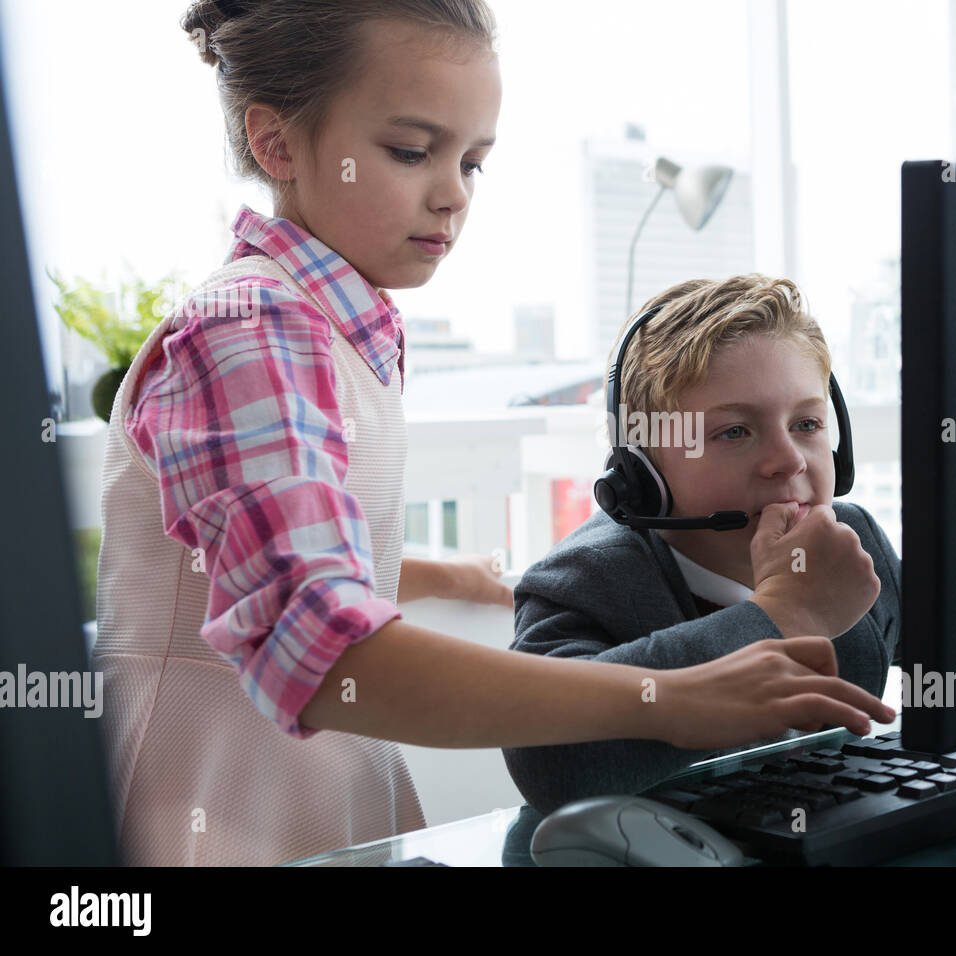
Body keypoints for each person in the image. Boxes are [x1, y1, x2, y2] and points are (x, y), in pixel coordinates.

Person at [92, 0, 892, 866]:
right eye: (412, 152)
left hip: (321, 805)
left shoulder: (332, 327)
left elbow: (263, 551)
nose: (453, 195)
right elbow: (318, 653)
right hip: (211, 819)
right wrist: (664, 695)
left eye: (474, 162)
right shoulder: (251, 330)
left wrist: (428, 573)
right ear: (278, 144)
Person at [504, 275, 901, 813]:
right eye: (735, 432)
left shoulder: (850, 545)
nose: (790, 460)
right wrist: (785, 613)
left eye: (806, 423)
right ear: (643, 472)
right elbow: (553, 766)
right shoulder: (581, 582)